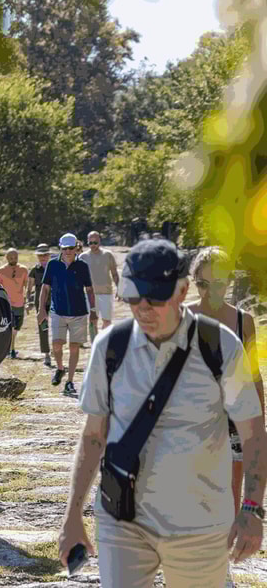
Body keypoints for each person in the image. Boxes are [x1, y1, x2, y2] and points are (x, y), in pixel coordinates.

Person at [58, 239, 265, 587]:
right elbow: (94, 436)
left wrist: (251, 509)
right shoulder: (110, 347)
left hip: (200, 527)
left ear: (182, 291)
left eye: (155, 298)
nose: (143, 309)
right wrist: (73, 515)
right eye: (134, 299)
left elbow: (254, 434)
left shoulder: (221, 346)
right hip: (122, 521)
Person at [186, 247, 266, 517]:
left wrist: (260, 424)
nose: (210, 291)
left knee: (233, 484)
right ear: (194, 281)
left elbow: (254, 376)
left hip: (235, 416)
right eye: (202, 284)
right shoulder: (182, 318)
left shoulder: (244, 321)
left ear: (229, 282)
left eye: (218, 283)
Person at [38, 234, 96, 397]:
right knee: (56, 344)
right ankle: (60, 368)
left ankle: (70, 381)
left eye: (71, 248)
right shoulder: (52, 265)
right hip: (58, 312)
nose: (68, 251)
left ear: (76, 247)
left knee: (74, 347)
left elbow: (90, 290)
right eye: (65, 248)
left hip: (78, 313)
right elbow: (45, 288)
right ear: (61, 248)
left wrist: (93, 311)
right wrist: (41, 309)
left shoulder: (83, 266)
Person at [80, 231, 120, 342]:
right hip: (90, 295)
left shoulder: (108, 255)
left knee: (107, 321)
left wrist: (119, 288)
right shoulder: (83, 257)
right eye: (90, 242)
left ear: (99, 241)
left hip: (106, 293)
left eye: (95, 242)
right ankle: (95, 344)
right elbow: (79, 278)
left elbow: (115, 273)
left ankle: (105, 342)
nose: (93, 245)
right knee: (92, 321)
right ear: (87, 242)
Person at [0, 248, 29, 360]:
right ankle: (11, 349)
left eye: (15, 257)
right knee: (8, 328)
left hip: (19, 303)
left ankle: (11, 348)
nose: (13, 259)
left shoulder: (23, 270)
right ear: (6, 258)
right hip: (6, 304)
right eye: (11, 257)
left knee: (16, 328)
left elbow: (26, 286)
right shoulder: (0, 271)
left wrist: (28, 300)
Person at [29, 244, 54, 368]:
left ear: (49, 255)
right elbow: (30, 287)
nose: (43, 257)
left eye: (45, 255)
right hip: (40, 304)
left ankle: (56, 348)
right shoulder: (35, 270)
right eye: (40, 255)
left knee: (56, 327)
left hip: (54, 302)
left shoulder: (55, 267)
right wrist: (28, 301)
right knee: (43, 328)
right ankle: (46, 354)